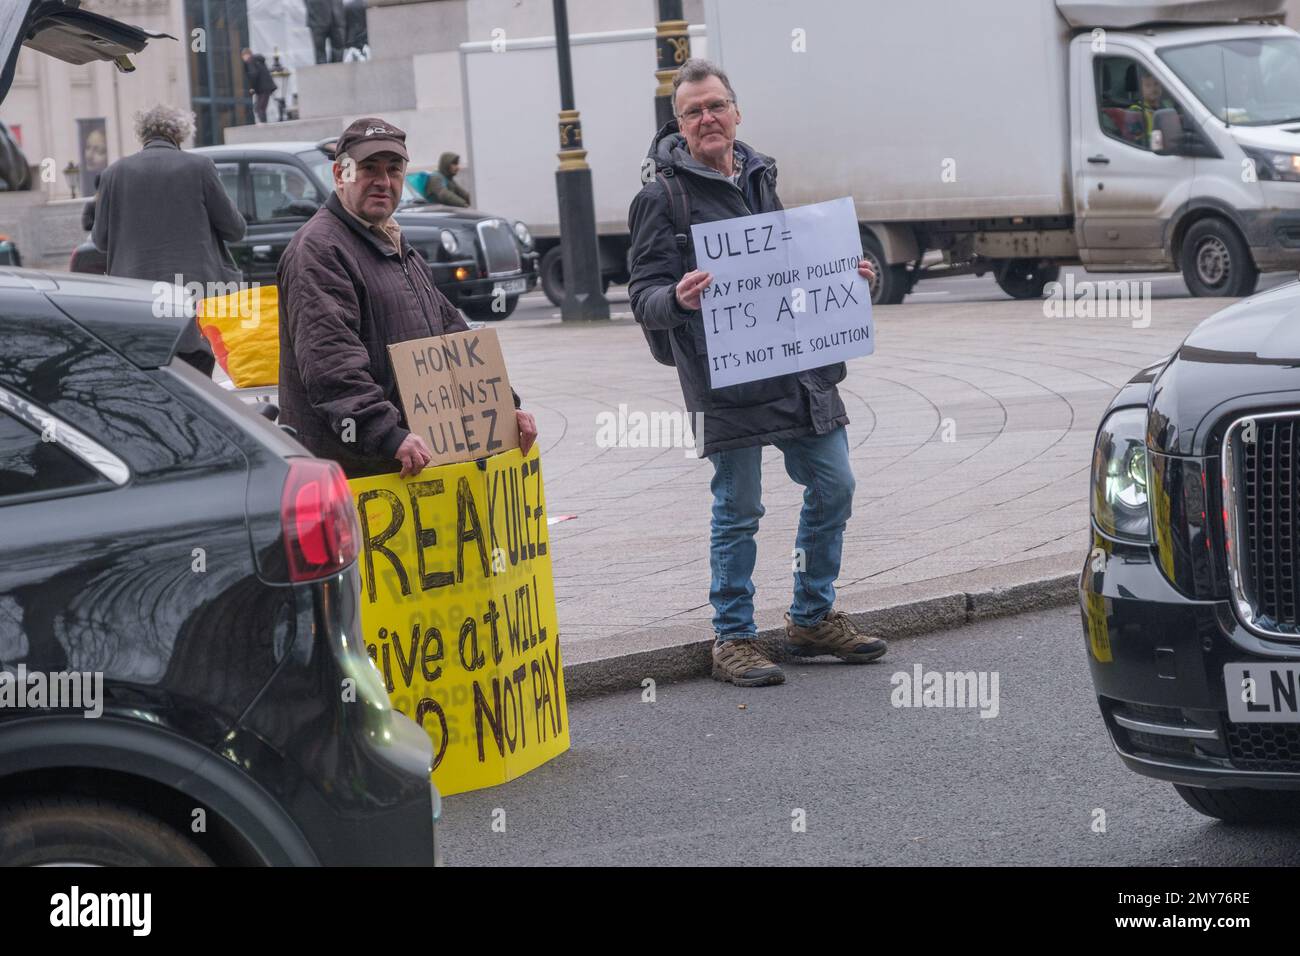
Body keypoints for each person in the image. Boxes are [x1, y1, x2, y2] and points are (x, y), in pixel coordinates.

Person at [627, 58, 884, 688]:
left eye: (716, 106)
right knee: (739, 507)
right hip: (726, 379)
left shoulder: (762, 176)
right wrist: (677, 300)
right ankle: (733, 637)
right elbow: (643, 295)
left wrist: (851, 281)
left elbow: (795, 264)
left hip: (799, 372)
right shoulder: (662, 198)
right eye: (693, 112)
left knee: (835, 485)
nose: (707, 118)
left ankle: (811, 616)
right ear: (679, 125)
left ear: (736, 112)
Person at [277, 117, 537, 479]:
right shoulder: (319, 249)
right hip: (356, 471)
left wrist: (504, 406)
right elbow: (331, 363)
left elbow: (452, 336)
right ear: (340, 175)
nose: (383, 181)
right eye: (369, 169)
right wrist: (385, 434)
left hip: (403, 463)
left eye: (394, 170)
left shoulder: (392, 241)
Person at [92, 105, 245, 376]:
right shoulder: (200, 167)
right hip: (193, 304)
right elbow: (235, 230)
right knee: (199, 388)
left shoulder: (113, 173)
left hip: (135, 304)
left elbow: (100, 240)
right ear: (180, 134)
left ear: (142, 134)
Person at [241, 48, 278, 124]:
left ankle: (263, 126)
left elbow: (254, 74)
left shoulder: (250, 61)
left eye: (243, 57)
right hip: (266, 87)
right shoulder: (258, 60)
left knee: (259, 108)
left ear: (245, 55)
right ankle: (263, 123)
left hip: (262, 88)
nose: (243, 59)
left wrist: (252, 87)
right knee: (260, 108)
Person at [305, 0, 345, 64]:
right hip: (317, 18)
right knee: (320, 52)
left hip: (337, 17)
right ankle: (322, 72)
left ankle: (337, 71)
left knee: (338, 50)